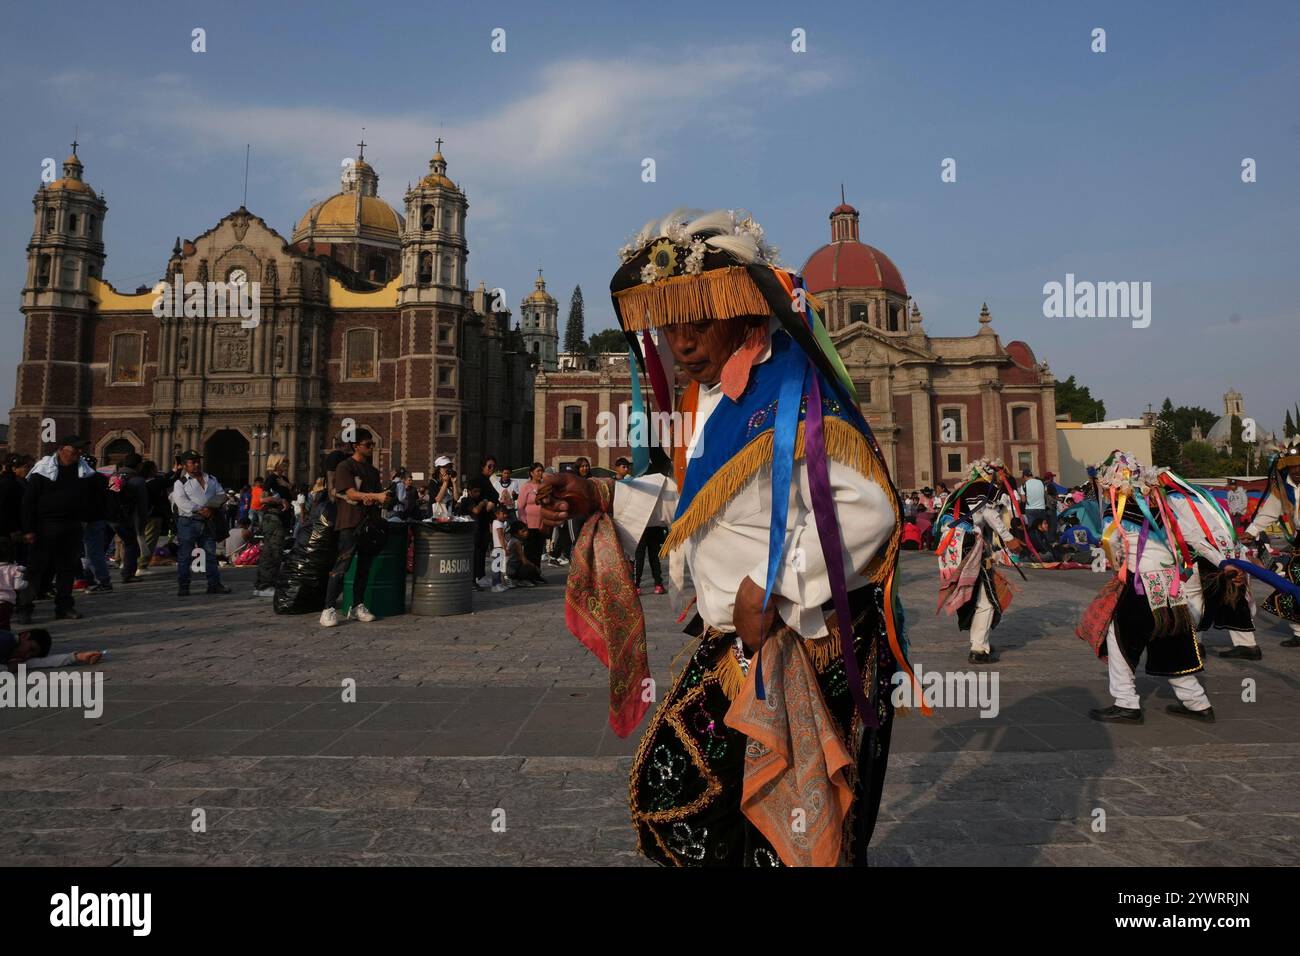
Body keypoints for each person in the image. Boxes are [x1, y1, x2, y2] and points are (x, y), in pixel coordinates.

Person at [537, 208, 906, 867]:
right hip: (739, 643)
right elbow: (701, 504)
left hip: (810, 641)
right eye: (669, 325)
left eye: (697, 321)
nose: (680, 343)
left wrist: (779, 583)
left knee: (784, 826)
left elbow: (870, 511)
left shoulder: (794, 391)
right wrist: (603, 495)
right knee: (684, 793)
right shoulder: (715, 398)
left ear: (740, 309)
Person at [1078, 452, 1214, 724]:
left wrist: (1118, 565)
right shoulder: (1162, 508)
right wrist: (1226, 562)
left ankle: (1126, 703)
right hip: (1168, 585)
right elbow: (1195, 539)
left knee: (1119, 639)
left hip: (1139, 583)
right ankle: (1198, 703)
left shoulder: (1116, 510)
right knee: (1170, 638)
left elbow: (1111, 544)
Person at [934, 458, 1023, 664]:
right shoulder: (982, 487)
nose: (1001, 481)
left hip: (952, 545)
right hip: (966, 542)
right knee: (987, 596)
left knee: (975, 594)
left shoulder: (964, 489)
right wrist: (1009, 539)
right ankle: (978, 648)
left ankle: (979, 643)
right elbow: (988, 513)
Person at [15, 436, 97, 623]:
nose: (78, 453)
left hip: (72, 526)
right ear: (61, 449)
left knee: (67, 569)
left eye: (81, 450)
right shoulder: (43, 472)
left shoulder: (83, 472)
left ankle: (64, 606)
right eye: (74, 449)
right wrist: (28, 529)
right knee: (35, 570)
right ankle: (24, 607)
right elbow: (28, 503)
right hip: (45, 526)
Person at [320, 429, 389, 627]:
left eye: (372, 444)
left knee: (364, 567)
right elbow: (350, 493)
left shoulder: (373, 471)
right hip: (350, 522)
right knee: (342, 565)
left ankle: (358, 604)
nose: (371, 448)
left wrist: (380, 499)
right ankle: (328, 608)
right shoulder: (345, 466)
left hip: (369, 523)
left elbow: (374, 496)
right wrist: (375, 496)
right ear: (356, 445)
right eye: (368, 444)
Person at [1240, 443, 1300, 647]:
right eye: (1293, 466)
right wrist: (1251, 531)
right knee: (1291, 586)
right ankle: (1299, 632)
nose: (1297, 470)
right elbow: (1268, 513)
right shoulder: (1283, 488)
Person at [170, 450, 232, 597]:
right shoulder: (180, 483)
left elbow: (221, 494)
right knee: (185, 555)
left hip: (207, 522)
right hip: (188, 522)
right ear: (185, 465)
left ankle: (214, 584)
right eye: (193, 462)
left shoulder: (211, 478)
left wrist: (210, 508)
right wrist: (200, 509)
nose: (197, 464)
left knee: (210, 554)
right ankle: (184, 586)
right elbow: (181, 502)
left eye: (198, 461)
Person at [252, 453, 293, 598]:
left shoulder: (284, 479)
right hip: (273, 518)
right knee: (272, 552)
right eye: (284, 461)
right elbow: (262, 499)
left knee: (275, 551)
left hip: (282, 519)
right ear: (276, 463)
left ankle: (265, 584)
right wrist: (279, 500)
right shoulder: (271, 479)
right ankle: (265, 585)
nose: (287, 464)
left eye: (287, 461)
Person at [109, 453, 150, 584]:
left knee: (100, 547)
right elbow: (142, 505)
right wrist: (141, 524)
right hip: (127, 518)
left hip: (110, 517)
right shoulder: (138, 480)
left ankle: (91, 575)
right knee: (131, 544)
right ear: (139, 465)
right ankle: (128, 574)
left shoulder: (113, 476)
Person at [467, 456, 500, 586]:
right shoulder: (478, 480)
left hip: (485, 518)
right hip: (477, 518)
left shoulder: (487, 480)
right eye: (489, 466)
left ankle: (480, 575)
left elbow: (494, 496)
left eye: (493, 466)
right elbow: (476, 496)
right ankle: (477, 576)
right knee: (478, 548)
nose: (491, 469)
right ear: (483, 467)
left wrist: (492, 502)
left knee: (482, 546)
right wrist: (486, 502)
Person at [515, 463, 548, 570]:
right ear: (531, 473)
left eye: (541, 471)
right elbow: (520, 506)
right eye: (538, 471)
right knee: (529, 551)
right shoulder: (526, 486)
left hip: (541, 523)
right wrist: (523, 523)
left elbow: (548, 503)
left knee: (538, 551)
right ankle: (529, 574)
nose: (540, 473)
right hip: (528, 524)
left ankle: (537, 573)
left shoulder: (544, 486)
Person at [506, 521, 545, 586]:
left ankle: (523, 579)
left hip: (512, 567)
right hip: (511, 569)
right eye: (523, 531)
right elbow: (523, 560)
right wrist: (535, 567)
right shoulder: (517, 542)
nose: (526, 533)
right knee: (530, 567)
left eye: (526, 530)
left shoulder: (514, 540)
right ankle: (521, 580)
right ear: (516, 534)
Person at [0, 537, 26, 630]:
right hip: (6, 602)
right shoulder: (14, 569)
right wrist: (25, 583)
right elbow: (18, 586)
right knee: (4, 625)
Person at [490, 504, 510, 592]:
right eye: (503, 513)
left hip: (498, 548)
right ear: (497, 514)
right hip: (498, 548)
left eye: (506, 513)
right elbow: (501, 536)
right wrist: (504, 548)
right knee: (496, 568)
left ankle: (498, 583)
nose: (505, 515)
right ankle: (495, 585)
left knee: (498, 567)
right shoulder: (498, 523)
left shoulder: (498, 523)